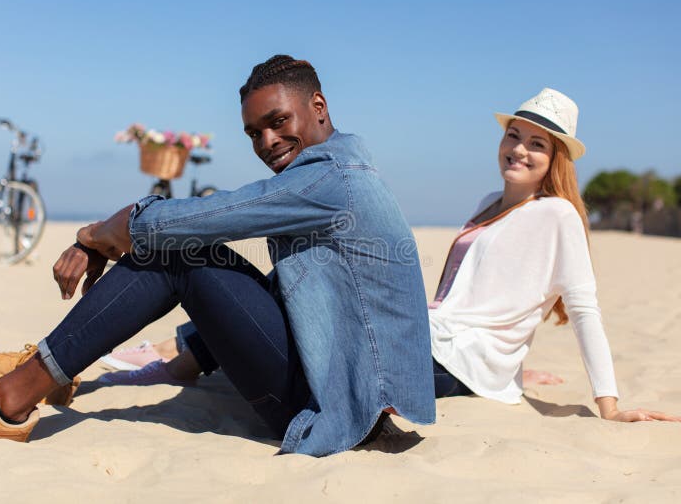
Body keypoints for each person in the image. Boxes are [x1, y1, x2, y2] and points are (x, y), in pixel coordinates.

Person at [0, 55, 442, 456]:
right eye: (253, 133)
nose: (267, 142)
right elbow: (308, 295)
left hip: (339, 410)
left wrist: (96, 233)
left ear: (317, 107)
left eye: (279, 122)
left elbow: (206, 215)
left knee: (176, 249)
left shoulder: (333, 180)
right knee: (181, 247)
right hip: (340, 387)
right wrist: (191, 353)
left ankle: (9, 398)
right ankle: (56, 364)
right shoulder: (341, 171)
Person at [95, 88, 681, 424]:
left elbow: (583, 309)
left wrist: (608, 404)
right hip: (439, 340)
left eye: (538, 144)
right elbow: (479, 303)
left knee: (322, 276)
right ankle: (186, 350)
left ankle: (183, 353)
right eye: (515, 136)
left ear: (556, 159)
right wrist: (515, 370)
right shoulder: (486, 204)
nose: (520, 150)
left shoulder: (558, 216)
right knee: (322, 269)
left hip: (447, 359)